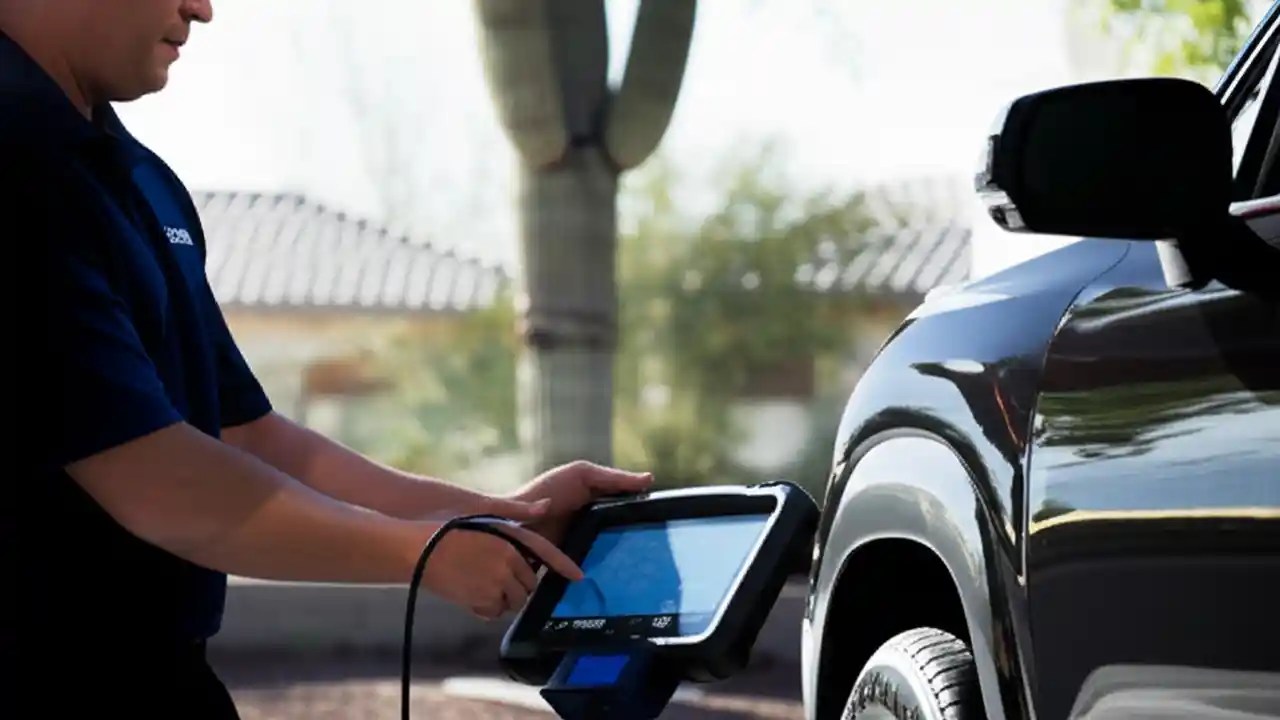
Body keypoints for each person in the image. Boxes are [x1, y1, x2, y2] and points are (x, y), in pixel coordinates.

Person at [1, 1, 653, 716]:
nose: (202, 8)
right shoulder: (15, 163)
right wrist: (421, 553)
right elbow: (159, 482)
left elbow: (246, 434)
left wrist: (500, 518)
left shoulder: (138, 179)